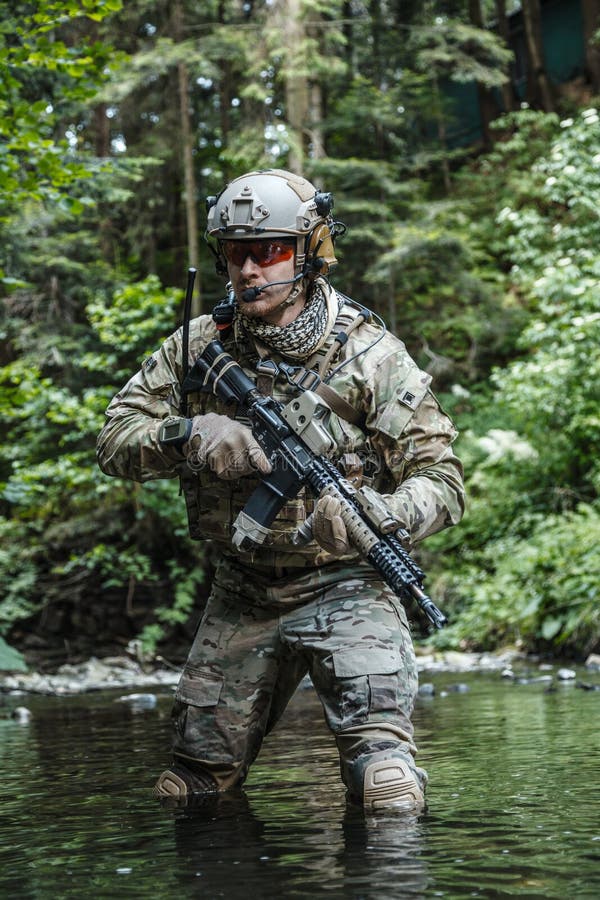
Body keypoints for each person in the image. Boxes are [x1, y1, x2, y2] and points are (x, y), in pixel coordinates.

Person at [96, 168, 465, 812]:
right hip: (243, 586)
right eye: (236, 253)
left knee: (387, 790)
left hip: (348, 584)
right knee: (189, 792)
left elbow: (445, 483)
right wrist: (190, 432)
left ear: (311, 252)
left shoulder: (372, 357)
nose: (249, 271)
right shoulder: (197, 346)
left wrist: (382, 511)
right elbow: (114, 441)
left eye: (268, 252)